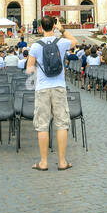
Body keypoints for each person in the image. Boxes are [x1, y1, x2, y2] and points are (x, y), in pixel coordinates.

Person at [26, 16, 76, 171]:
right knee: (61, 124)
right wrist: (61, 30)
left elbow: (29, 68)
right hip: (59, 86)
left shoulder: (35, 46)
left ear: (40, 28)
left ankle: (44, 162)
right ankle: (62, 161)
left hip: (42, 88)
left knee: (42, 125)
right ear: (53, 26)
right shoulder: (61, 42)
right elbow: (74, 42)